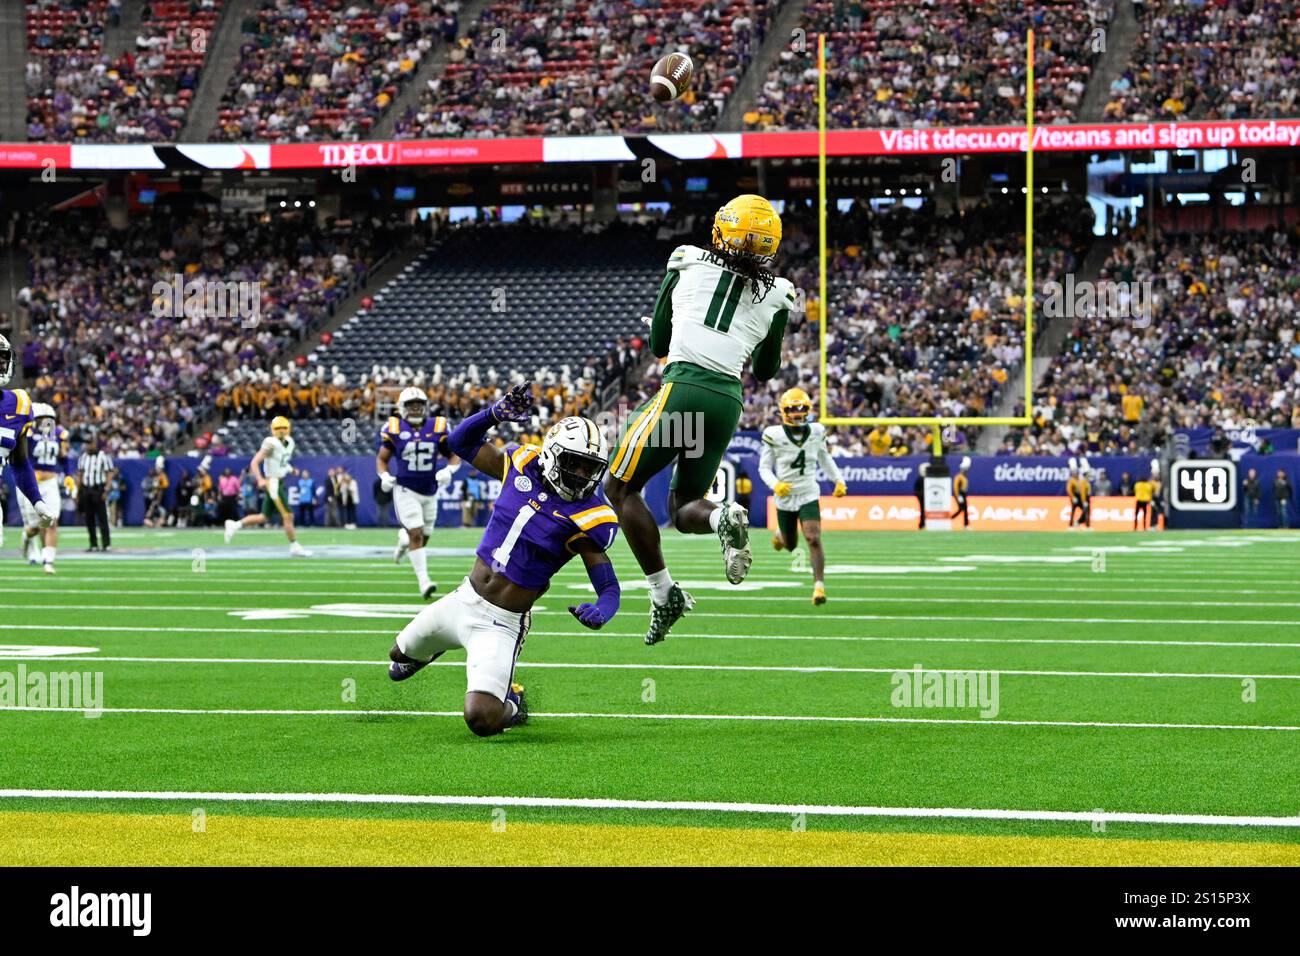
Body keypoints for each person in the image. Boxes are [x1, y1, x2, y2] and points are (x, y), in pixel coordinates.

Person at [605, 194, 796, 645]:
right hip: (727, 400)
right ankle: (720, 517)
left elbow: (656, 342)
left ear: (722, 231)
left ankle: (662, 593)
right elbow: (767, 371)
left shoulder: (686, 260)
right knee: (683, 508)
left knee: (618, 487)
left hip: (683, 387)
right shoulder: (780, 292)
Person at [387, 384, 621, 737]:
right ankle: (428, 651)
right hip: (463, 597)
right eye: (574, 463)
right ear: (552, 454)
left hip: (503, 622)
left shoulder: (592, 516)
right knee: (397, 658)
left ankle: (514, 703)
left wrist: (604, 608)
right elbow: (459, 443)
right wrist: (494, 413)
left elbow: (609, 585)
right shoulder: (522, 464)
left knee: (481, 719)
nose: (581, 475)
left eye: (590, 468)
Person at [760, 387, 846, 605]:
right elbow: (764, 468)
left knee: (813, 538)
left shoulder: (817, 431)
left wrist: (838, 480)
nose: (797, 413)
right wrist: (775, 484)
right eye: (792, 409)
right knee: (790, 545)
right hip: (785, 497)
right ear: (783, 411)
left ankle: (819, 587)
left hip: (808, 493)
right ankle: (781, 535)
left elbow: (824, 458)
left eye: (801, 408)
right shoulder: (774, 434)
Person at [376, 386, 455, 597]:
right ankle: (424, 582)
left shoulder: (438, 426)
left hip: (430, 490)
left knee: (423, 536)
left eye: (419, 404)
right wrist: (384, 476)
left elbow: (453, 455)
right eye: (411, 405)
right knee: (417, 533)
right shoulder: (393, 427)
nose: (416, 409)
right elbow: (382, 459)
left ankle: (403, 540)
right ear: (402, 407)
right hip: (405, 489)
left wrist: (450, 470)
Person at [223, 416, 311, 556]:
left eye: (283, 428)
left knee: (263, 517)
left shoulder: (290, 442)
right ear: (273, 430)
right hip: (273, 483)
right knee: (288, 516)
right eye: (278, 428)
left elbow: (281, 460)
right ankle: (294, 545)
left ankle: (234, 525)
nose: (281, 431)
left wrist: (291, 469)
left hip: (279, 481)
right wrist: (260, 479)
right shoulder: (271, 443)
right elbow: (254, 462)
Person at [0, 338, 57, 544]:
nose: (1, 362)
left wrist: (37, 501)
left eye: (3, 356)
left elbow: (19, 462)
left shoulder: (18, 403)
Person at [20, 403, 68, 574]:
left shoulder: (59, 435)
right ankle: (26, 537)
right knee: (34, 528)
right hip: (33, 484)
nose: (45, 423)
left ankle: (48, 562)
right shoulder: (29, 435)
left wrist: (68, 475)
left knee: (52, 522)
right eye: (41, 419)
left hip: (51, 482)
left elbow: (64, 458)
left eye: (49, 420)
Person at [76, 435, 116, 551]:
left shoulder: (103, 456)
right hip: (86, 489)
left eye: (90, 443)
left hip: (99, 489)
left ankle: (106, 544)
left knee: (102, 518)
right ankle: (93, 544)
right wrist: (78, 492)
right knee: (89, 519)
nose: (88, 445)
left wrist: (107, 489)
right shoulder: (83, 457)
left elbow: (109, 473)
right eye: (86, 443)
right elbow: (80, 474)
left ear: (95, 443)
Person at [952, 456, 971, 528]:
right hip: (960, 494)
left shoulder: (964, 477)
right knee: (962, 509)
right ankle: (950, 518)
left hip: (963, 494)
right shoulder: (959, 477)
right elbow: (956, 488)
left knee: (963, 509)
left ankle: (966, 525)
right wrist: (958, 496)